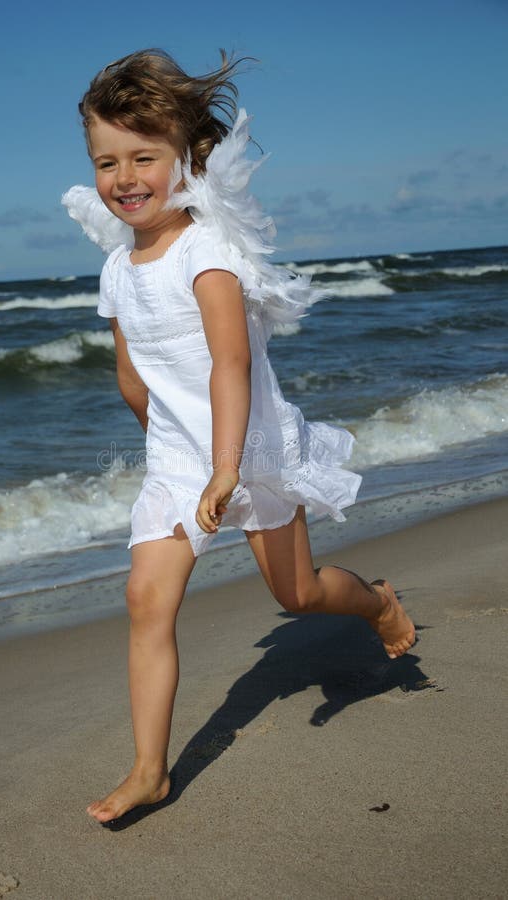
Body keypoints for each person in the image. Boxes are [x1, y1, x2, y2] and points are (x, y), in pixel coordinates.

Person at [63, 49, 415, 824]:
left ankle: (379, 605)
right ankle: (151, 770)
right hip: (178, 459)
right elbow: (131, 374)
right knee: (144, 600)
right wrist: (171, 455)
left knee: (299, 593)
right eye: (106, 161)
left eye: (144, 158)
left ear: (188, 160)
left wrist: (226, 468)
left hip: (248, 450)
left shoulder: (207, 254)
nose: (124, 178)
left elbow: (229, 366)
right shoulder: (116, 270)